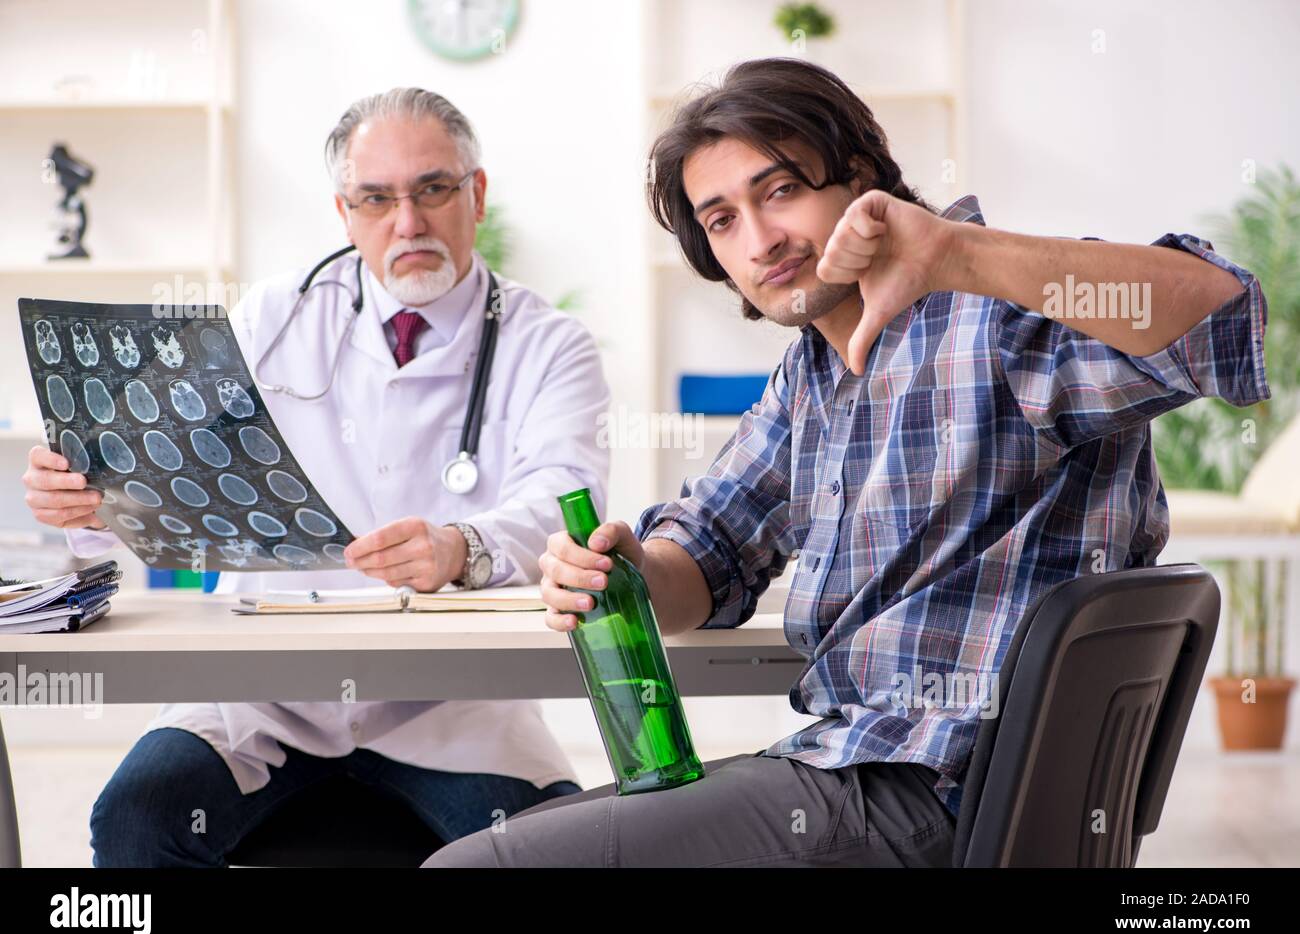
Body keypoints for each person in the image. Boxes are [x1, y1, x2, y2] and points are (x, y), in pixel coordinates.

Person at [423, 58, 1268, 867]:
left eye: (781, 190)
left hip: (932, 798)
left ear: (861, 174)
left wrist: (958, 254)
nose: (760, 239)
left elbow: (1226, 319)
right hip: (839, 770)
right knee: (516, 837)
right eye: (721, 220)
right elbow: (708, 554)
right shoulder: (809, 375)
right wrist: (632, 566)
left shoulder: (994, 322)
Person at [21, 87, 610, 866]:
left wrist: (462, 546)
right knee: (137, 818)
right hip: (264, 695)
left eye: (433, 188)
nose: (408, 222)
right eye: (376, 198)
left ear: (477, 192)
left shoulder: (551, 344)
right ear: (345, 211)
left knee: (555, 853)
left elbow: (568, 503)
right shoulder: (273, 319)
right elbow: (159, 471)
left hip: (454, 705)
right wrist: (87, 499)